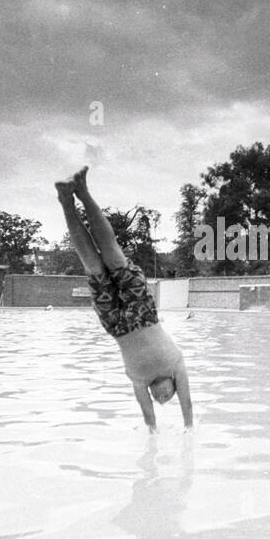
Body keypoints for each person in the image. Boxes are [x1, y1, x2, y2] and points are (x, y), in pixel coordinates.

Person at [56, 167, 193, 432]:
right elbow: (188, 405)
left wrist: (153, 431)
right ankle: (83, 192)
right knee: (112, 255)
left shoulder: (139, 380)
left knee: (92, 264)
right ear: (174, 384)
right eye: (169, 396)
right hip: (143, 311)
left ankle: (65, 201)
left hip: (115, 323)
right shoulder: (176, 363)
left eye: (159, 400)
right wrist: (189, 427)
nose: (162, 400)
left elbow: (148, 417)